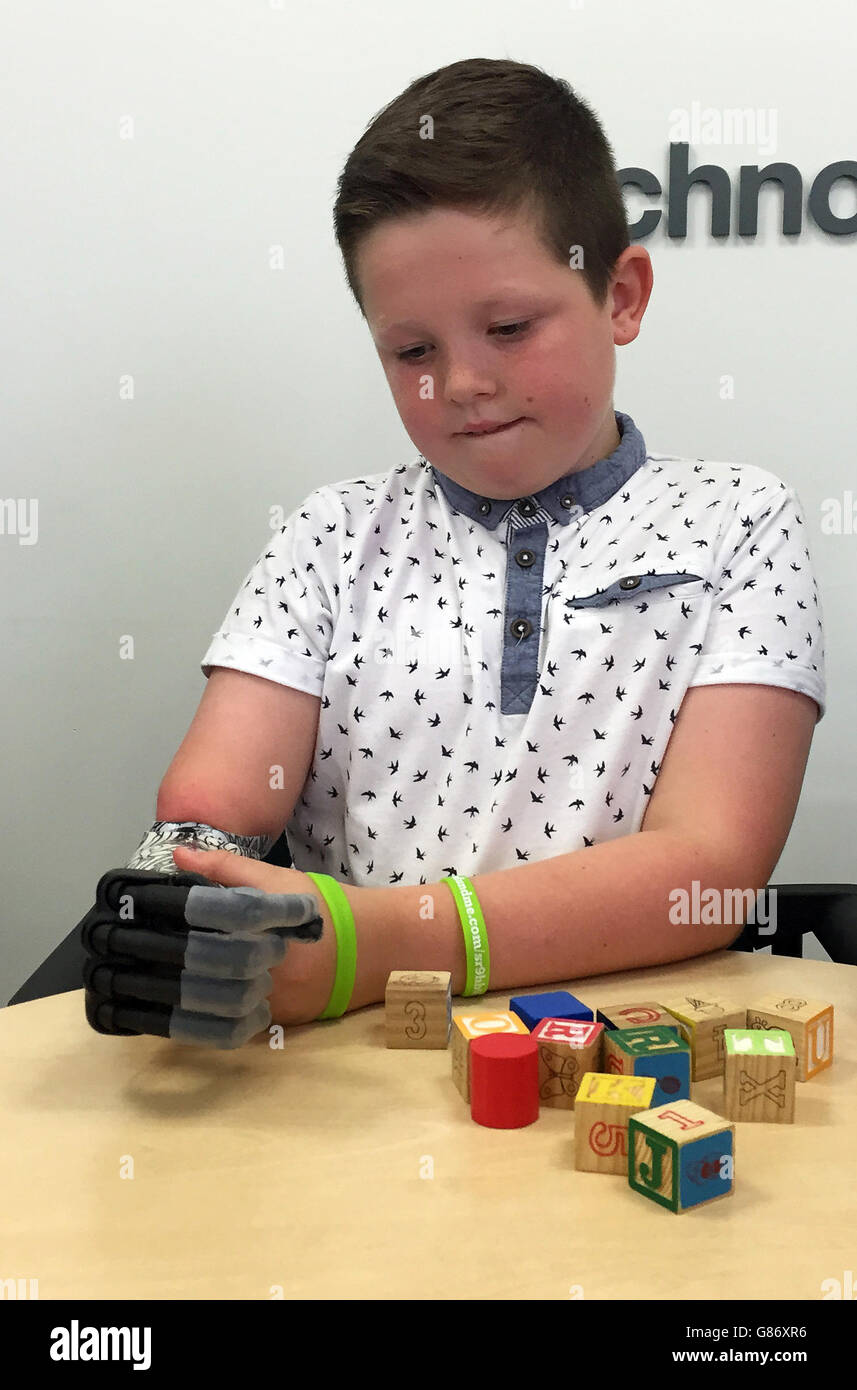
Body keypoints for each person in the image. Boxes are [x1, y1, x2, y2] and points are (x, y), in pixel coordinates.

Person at [125, 58, 826, 1031]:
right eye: (411, 351)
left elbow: (708, 864)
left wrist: (381, 942)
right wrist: (178, 885)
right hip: (360, 1054)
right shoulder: (328, 535)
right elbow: (216, 797)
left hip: (623, 1055)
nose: (459, 382)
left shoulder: (736, 520)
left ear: (618, 296)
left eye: (505, 326)